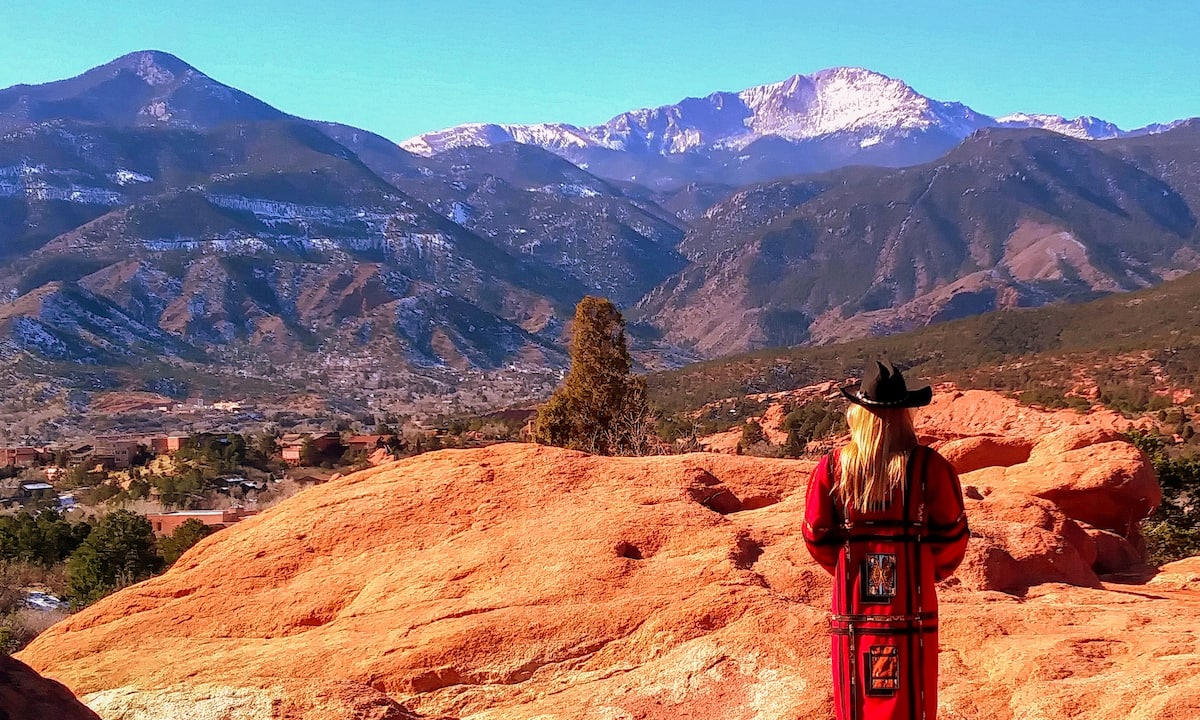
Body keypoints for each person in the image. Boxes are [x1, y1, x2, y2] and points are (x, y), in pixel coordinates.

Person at [803, 358, 969, 720]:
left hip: (854, 609)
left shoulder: (833, 467)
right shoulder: (930, 468)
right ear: (905, 413)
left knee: (857, 693)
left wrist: (851, 570)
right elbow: (954, 536)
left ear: (858, 414)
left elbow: (816, 535)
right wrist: (923, 571)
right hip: (913, 607)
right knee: (913, 695)